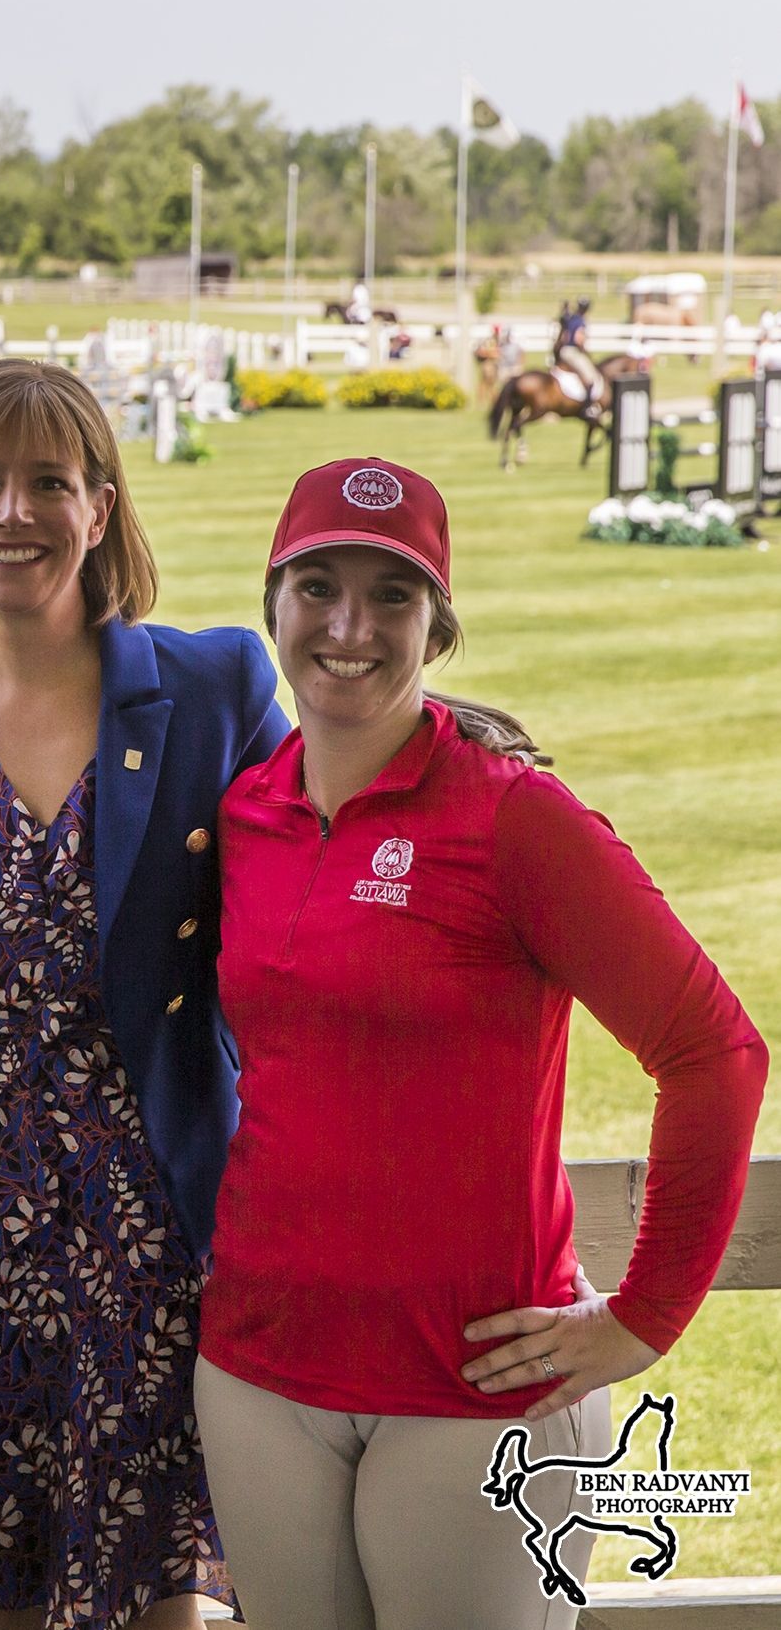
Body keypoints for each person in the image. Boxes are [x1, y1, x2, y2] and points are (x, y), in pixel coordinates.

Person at [196, 458, 768, 1630]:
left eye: (390, 595)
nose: (348, 626)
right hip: (257, 1370)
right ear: (273, 603)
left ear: (436, 623)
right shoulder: (245, 810)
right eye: (317, 586)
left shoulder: (515, 819)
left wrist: (643, 1315)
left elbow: (714, 1053)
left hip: (474, 1392)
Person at [0, 361, 282, 1630]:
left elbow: (319, 831)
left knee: (154, 1596)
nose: (11, 511)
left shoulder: (209, 692)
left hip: (150, 1223)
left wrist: (451, 737)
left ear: (100, 505)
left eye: (46, 481)